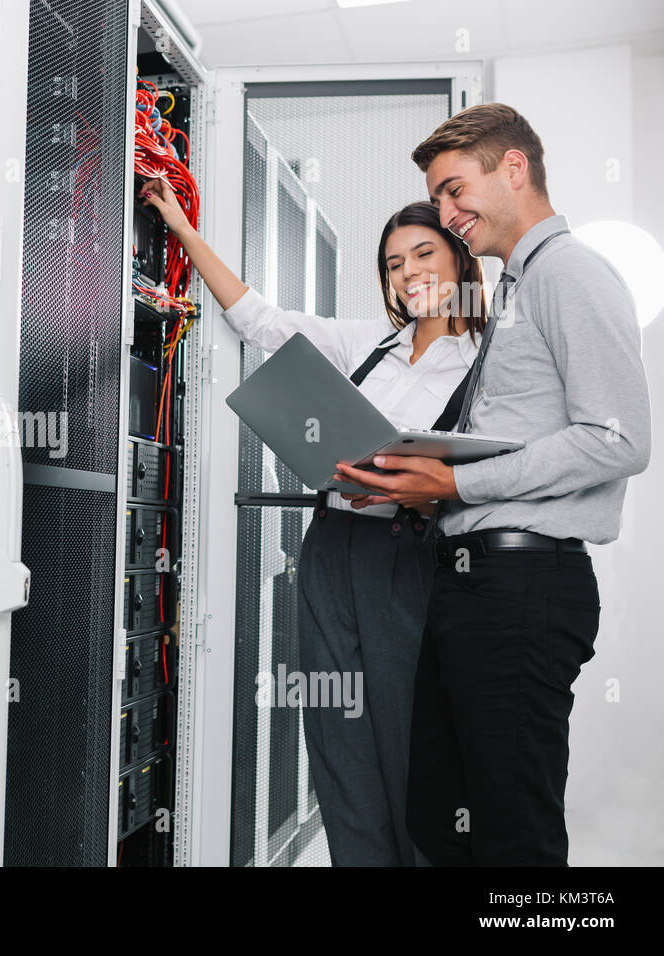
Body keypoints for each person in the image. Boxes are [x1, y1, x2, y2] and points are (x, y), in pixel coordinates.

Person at [332, 103, 652, 865]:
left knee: (514, 834)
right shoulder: (514, 287)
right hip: (473, 584)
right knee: (446, 819)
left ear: (514, 168)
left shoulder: (569, 270)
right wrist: (416, 479)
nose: (446, 214)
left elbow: (620, 438)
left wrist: (453, 484)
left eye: (452, 191)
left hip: (523, 584)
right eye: (438, 198)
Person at [143, 179, 484, 865]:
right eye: (394, 264)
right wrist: (180, 226)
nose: (410, 273)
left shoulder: (486, 362)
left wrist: (427, 493)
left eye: (423, 254)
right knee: (336, 733)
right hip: (330, 550)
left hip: (407, 559)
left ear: (459, 261)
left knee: (405, 733)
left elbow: (491, 477)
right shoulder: (370, 346)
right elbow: (258, 319)